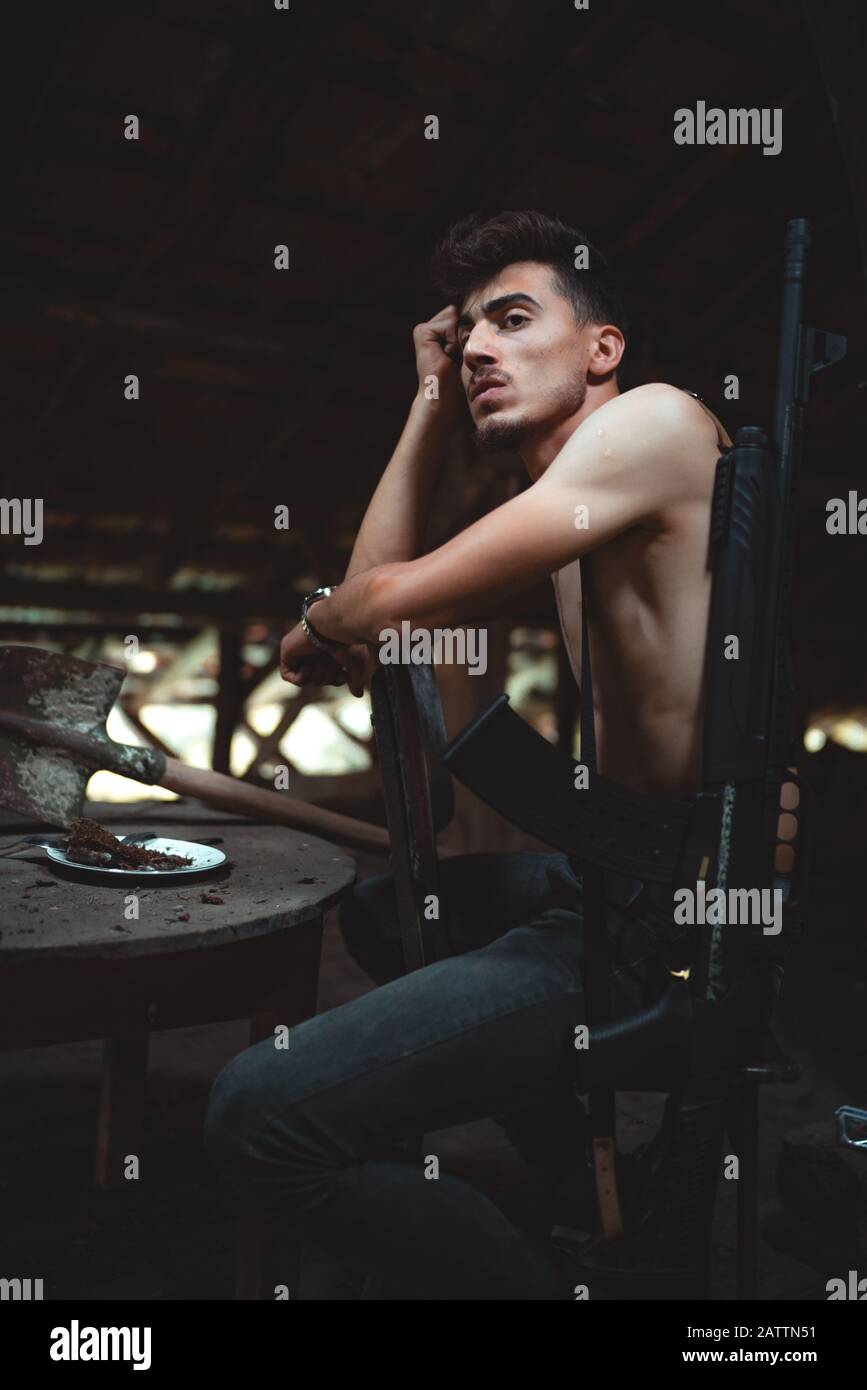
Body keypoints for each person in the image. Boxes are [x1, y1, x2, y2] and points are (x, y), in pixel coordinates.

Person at [204, 210, 732, 1299]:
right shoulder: (575, 494)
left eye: (514, 317)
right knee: (387, 915)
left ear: (603, 347)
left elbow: (372, 605)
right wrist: (426, 403)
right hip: (612, 880)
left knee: (257, 1114)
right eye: (465, 334)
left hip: (671, 919)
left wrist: (322, 623)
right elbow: (377, 609)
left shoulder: (656, 426)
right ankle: (592, 1191)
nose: (479, 346)